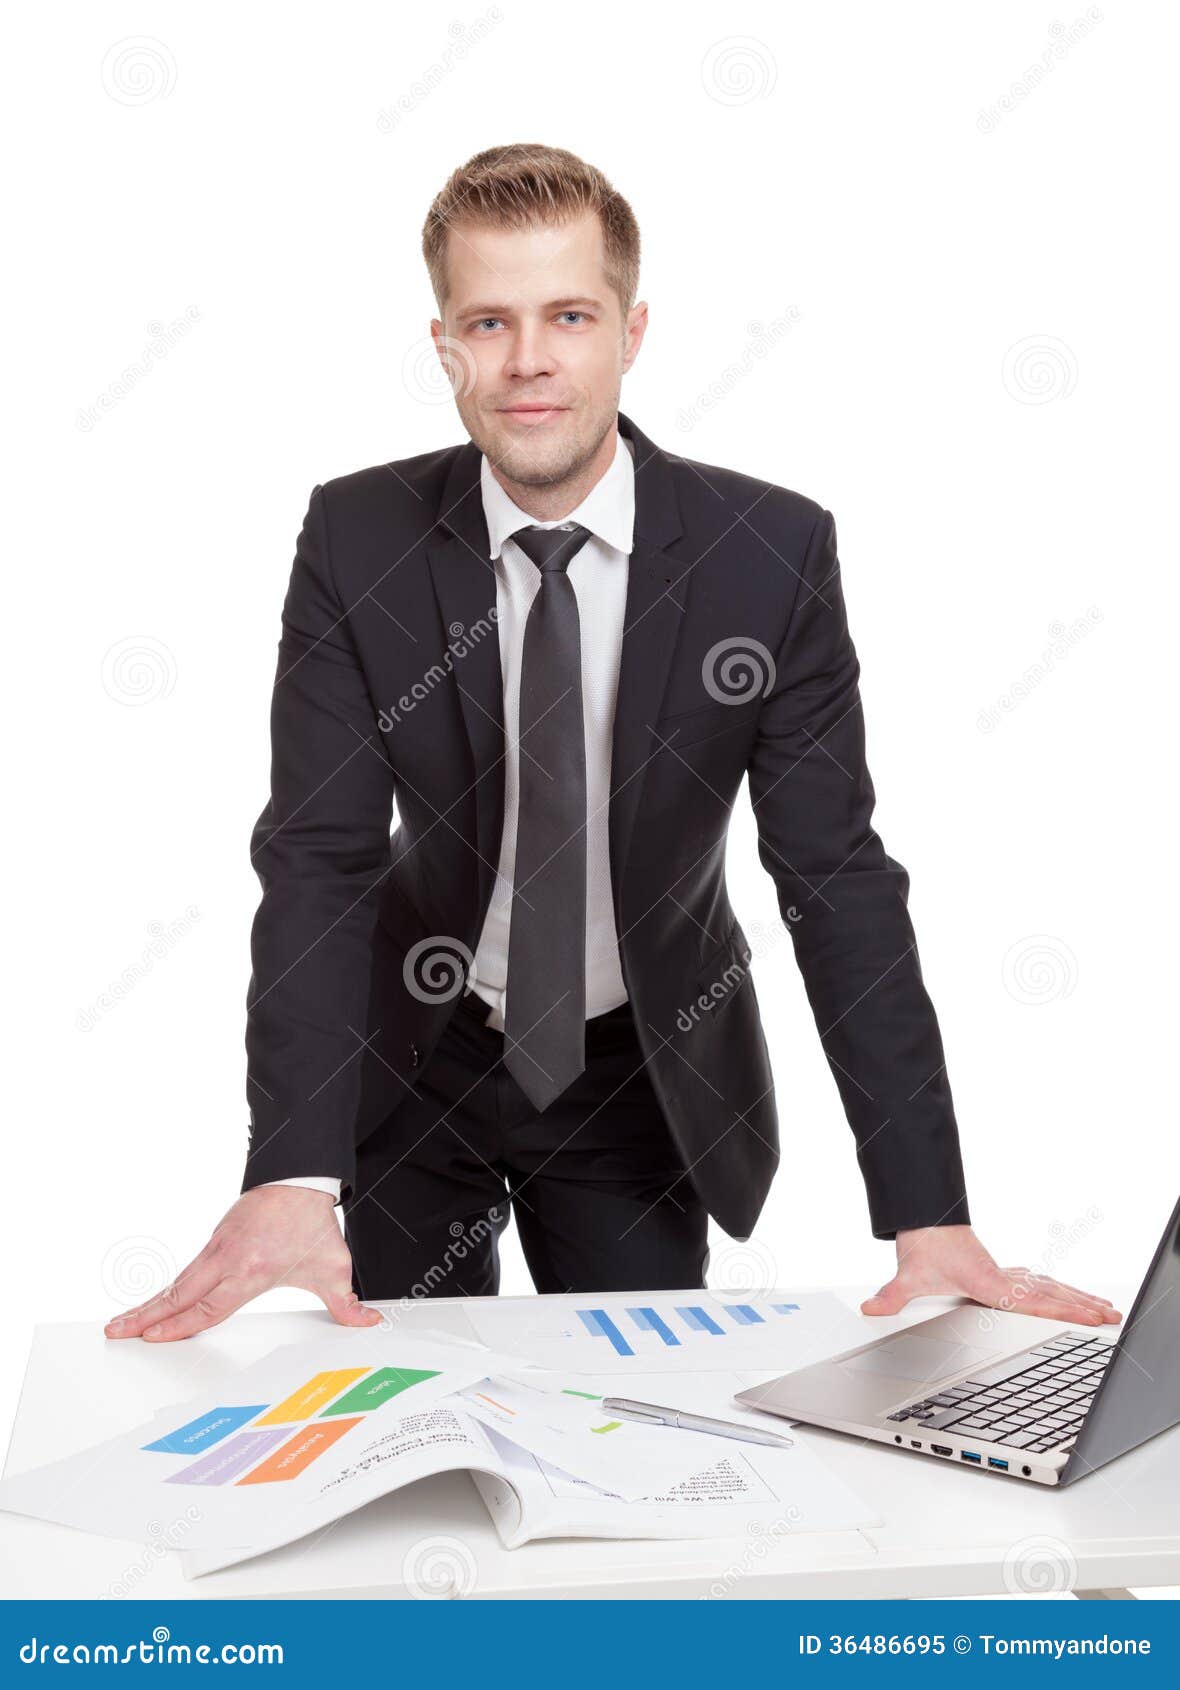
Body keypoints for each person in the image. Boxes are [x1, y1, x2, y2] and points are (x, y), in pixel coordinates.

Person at [106, 144, 1119, 1343]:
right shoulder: (357, 536)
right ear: (443, 345)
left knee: (633, 1422)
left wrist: (928, 1211)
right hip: (411, 1062)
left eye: (568, 316)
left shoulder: (768, 554)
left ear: (631, 333)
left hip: (640, 1072)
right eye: (488, 321)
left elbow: (834, 877)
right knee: (392, 1426)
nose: (528, 359)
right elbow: (319, 856)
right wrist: (288, 1170)